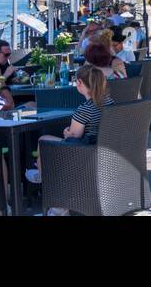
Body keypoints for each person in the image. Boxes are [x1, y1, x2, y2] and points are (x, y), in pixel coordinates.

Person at [26, 67, 116, 201]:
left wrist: (66, 133)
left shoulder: (84, 109)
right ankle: (42, 174)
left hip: (84, 153)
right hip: (105, 150)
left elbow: (73, 137)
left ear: (79, 83)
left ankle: (44, 178)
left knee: (42, 140)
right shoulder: (110, 102)